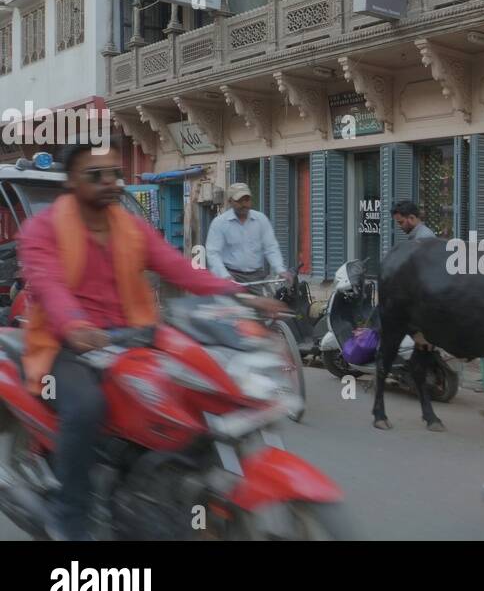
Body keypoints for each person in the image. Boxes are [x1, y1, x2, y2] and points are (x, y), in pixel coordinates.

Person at [17, 142, 285, 541]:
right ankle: (69, 516)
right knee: (86, 408)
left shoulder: (129, 226)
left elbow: (179, 268)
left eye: (114, 174)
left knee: (196, 393)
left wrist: (239, 295)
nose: (109, 182)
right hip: (66, 345)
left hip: (136, 336)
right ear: (73, 180)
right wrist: (75, 326)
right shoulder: (43, 228)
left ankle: (169, 488)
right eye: (96, 175)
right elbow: (48, 285)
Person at [205, 183, 292, 290]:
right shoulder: (219, 223)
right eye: (239, 201)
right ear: (230, 202)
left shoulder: (261, 219)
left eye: (247, 200)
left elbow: (271, 247)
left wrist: (280, 270)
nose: (244, 204)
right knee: (231, 305)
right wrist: (224, 276)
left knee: (268, 305)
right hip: (231, 276)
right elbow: (213, 253)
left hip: (256, 276)